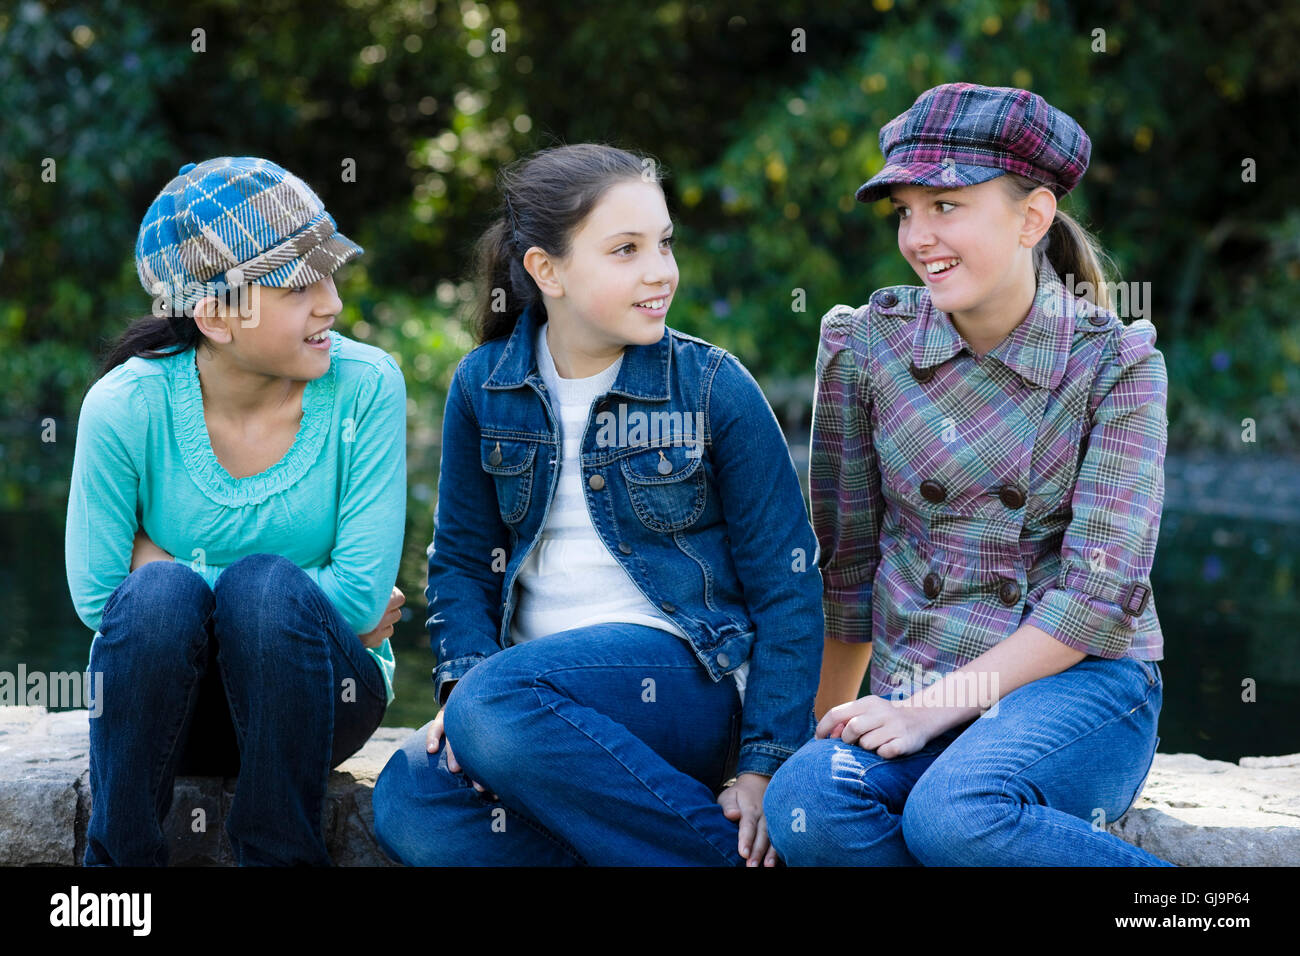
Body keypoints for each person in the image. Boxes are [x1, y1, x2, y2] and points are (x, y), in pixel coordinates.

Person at [372, 143, 824, 866]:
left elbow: (790, 586)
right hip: (530, 709)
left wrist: (763, 763)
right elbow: (460, 563)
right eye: (626, 250)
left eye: (664, 243)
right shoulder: (484, 386)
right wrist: (462, 682)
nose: (660, 271)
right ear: (545, 270)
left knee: (493, 702)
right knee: (408, 795)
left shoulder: (711, 387)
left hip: (684, 684)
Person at [762, 83, 1175, 866]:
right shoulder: (865, 345)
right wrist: (809, 742)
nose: (919, 236)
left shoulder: (1116, 363)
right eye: (905, 211)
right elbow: (846, 566)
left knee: (957, 813)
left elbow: (1097, 600)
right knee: (810, 800)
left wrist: (930, 711)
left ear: (1033, 216)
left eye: (945, 205)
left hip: (1081, 690)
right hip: (917, 675)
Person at [64, 157, 407, 866]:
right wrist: (296, 593)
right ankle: (118, 877)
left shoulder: (366, 387)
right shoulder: (125, 407)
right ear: (216, 315)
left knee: (258, 587)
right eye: (300, 286)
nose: (333, 303)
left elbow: (364, 595)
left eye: (331, 275)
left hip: (322, 700)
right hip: (169, 711)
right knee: (160, 596)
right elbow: (102, 598)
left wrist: (198, 573)